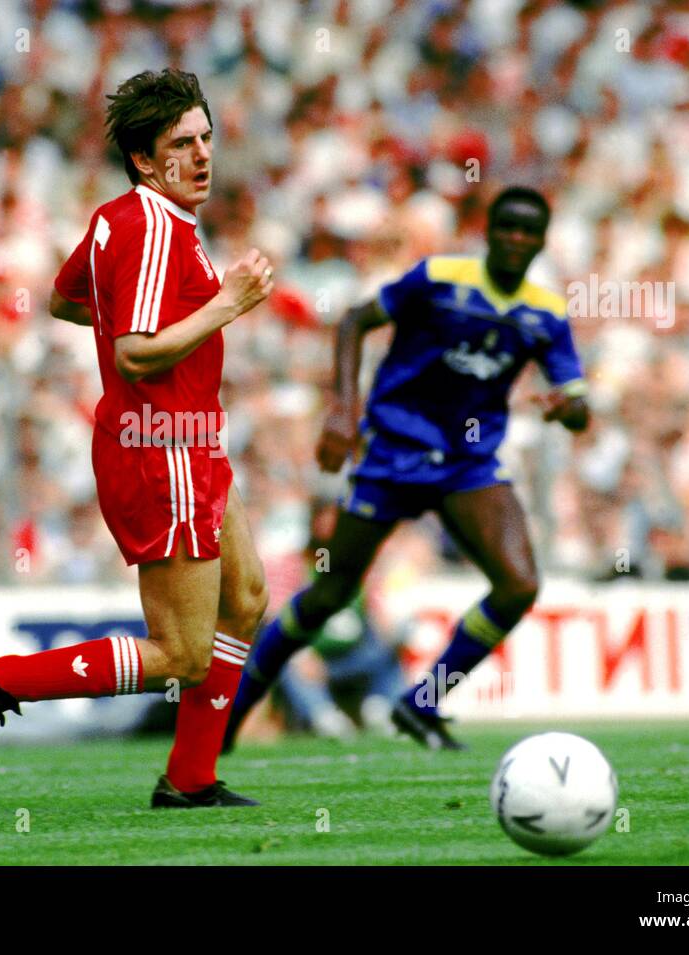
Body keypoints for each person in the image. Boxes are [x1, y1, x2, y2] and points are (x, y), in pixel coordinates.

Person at [0, 68, 274, 807]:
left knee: (246, 597)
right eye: (181, 144)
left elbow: (66, 299)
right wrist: (226, 305)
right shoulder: (152, 226)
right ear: (144, 162)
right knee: (183, 652)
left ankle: (190, 778)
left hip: (186, 438)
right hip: (165, 447)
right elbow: (133, 350)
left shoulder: (117, 220)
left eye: (206, 138)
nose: (202, 155)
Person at [226, 186, 590, 751]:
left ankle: (421, 703)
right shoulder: (440, 277)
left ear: (542, 240)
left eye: (529, 230)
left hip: (468, 465)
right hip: (394, 452)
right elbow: (352, 321)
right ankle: (235, 709)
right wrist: (343, 412)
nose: (517, 238)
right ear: (488, 232)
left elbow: (578, 402)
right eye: (508, 227)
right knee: (329, 593)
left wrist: (569, 408)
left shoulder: (546, 313)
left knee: (518, 585)